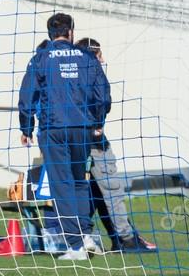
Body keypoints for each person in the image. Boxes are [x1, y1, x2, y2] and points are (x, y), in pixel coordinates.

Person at [18, 13, 110, 260]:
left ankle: (76, 245)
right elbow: (103, 94)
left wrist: (25, 129)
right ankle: (86, 235)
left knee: (62, 185)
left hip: (54, 129)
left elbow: (27, 96)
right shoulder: (87, 58)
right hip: (82, 128)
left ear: (50, 34)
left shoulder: (41, 58)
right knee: (80, 181)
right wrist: (98, 121)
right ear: (71, 32)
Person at [75, 37, 157, 253]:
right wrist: (97, 123)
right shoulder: (93, 71)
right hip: (94, 140)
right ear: (94, 55)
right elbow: (104, 99)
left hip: (71, 141)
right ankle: (126, 238)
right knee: (111, 189)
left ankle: (87, 236)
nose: (103, 59)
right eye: (100, 54)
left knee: (90, 191)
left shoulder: (68, 75)